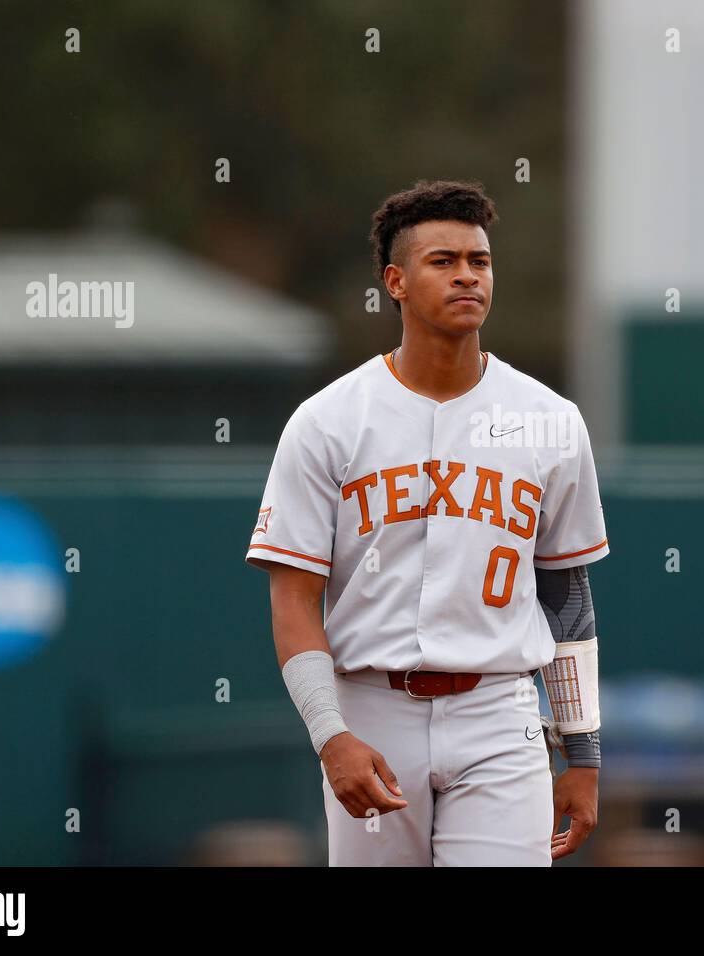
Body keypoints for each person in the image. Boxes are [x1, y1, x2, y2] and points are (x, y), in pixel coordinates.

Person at [246, 179, 608, 866]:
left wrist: (582, 751)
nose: (468, 274)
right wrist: (331, 736)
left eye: (480, 260)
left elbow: (567, 597)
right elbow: (293, 602)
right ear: (396, 281)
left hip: (499, 710)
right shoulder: (328, 421)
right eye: (443, 260)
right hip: (372, 705)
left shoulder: (550, 419)